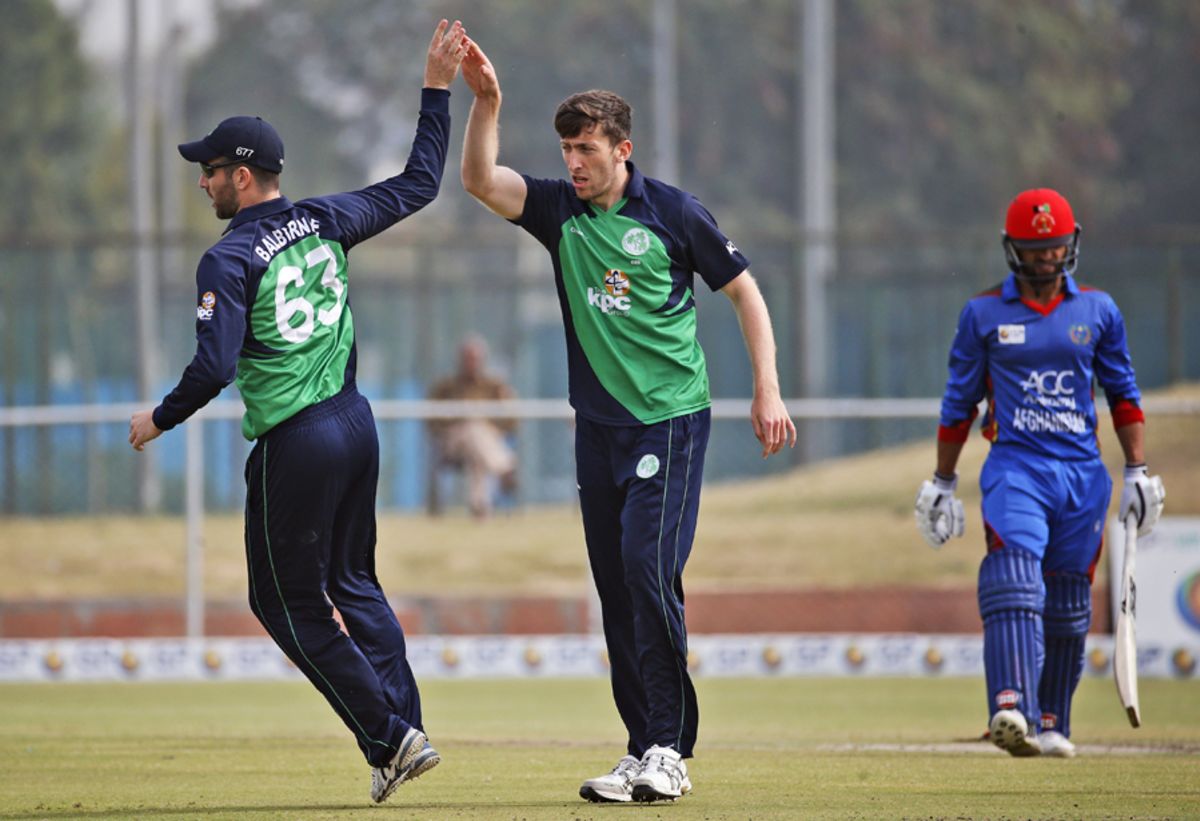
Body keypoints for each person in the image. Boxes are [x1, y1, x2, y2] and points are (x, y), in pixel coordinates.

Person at [128, 20, 468, 804]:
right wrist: (435, 91)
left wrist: (159, 417)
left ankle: (389, 736)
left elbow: (215, 366)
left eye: (210, 170)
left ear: (243, 177)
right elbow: (420, 183)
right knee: (353, 579)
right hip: (357, 423)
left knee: (281, 598)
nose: (203, 182)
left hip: (300, 438)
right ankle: (404, 729)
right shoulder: (325, 217)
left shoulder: (230, 257)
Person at [459, 41, 796, 803]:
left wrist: (767, 389)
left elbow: (745, 293)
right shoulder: (558, 212)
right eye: (567, 150)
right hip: (598, 431)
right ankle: (641, 745)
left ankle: (672, 750)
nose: (574, 162)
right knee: (616, 589)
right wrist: (486, 105)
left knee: (648, 570)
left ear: (623, 149)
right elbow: (479, 180)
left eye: (586, 149)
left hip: (670, 421)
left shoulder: (674, 212)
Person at [914, 188, 1166, 759]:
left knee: (1070, 603)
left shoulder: (1098, 311)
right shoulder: (983, 313)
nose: (1045, 260)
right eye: (1034, 249)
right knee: (1013, 577)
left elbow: (1123, 395)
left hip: (1082, 473)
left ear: (1070, 246)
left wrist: (1137, 472)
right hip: (1016, 467)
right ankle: (1011, 706)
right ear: (1013, 250)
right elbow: (960, 405)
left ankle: (1052, 721)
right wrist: (943, 481)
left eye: (1053, 248)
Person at [427, 334, 519, 518]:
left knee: (476, 447)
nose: (472, 362)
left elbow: (512, 419)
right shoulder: (446, 387)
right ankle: (504, 467)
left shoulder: (494, 386)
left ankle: (480, 506)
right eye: (468, 358)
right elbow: (430, 419)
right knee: (472, 428)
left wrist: (491, 427)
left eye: (475, 358)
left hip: (484, 442)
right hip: (452, 443)